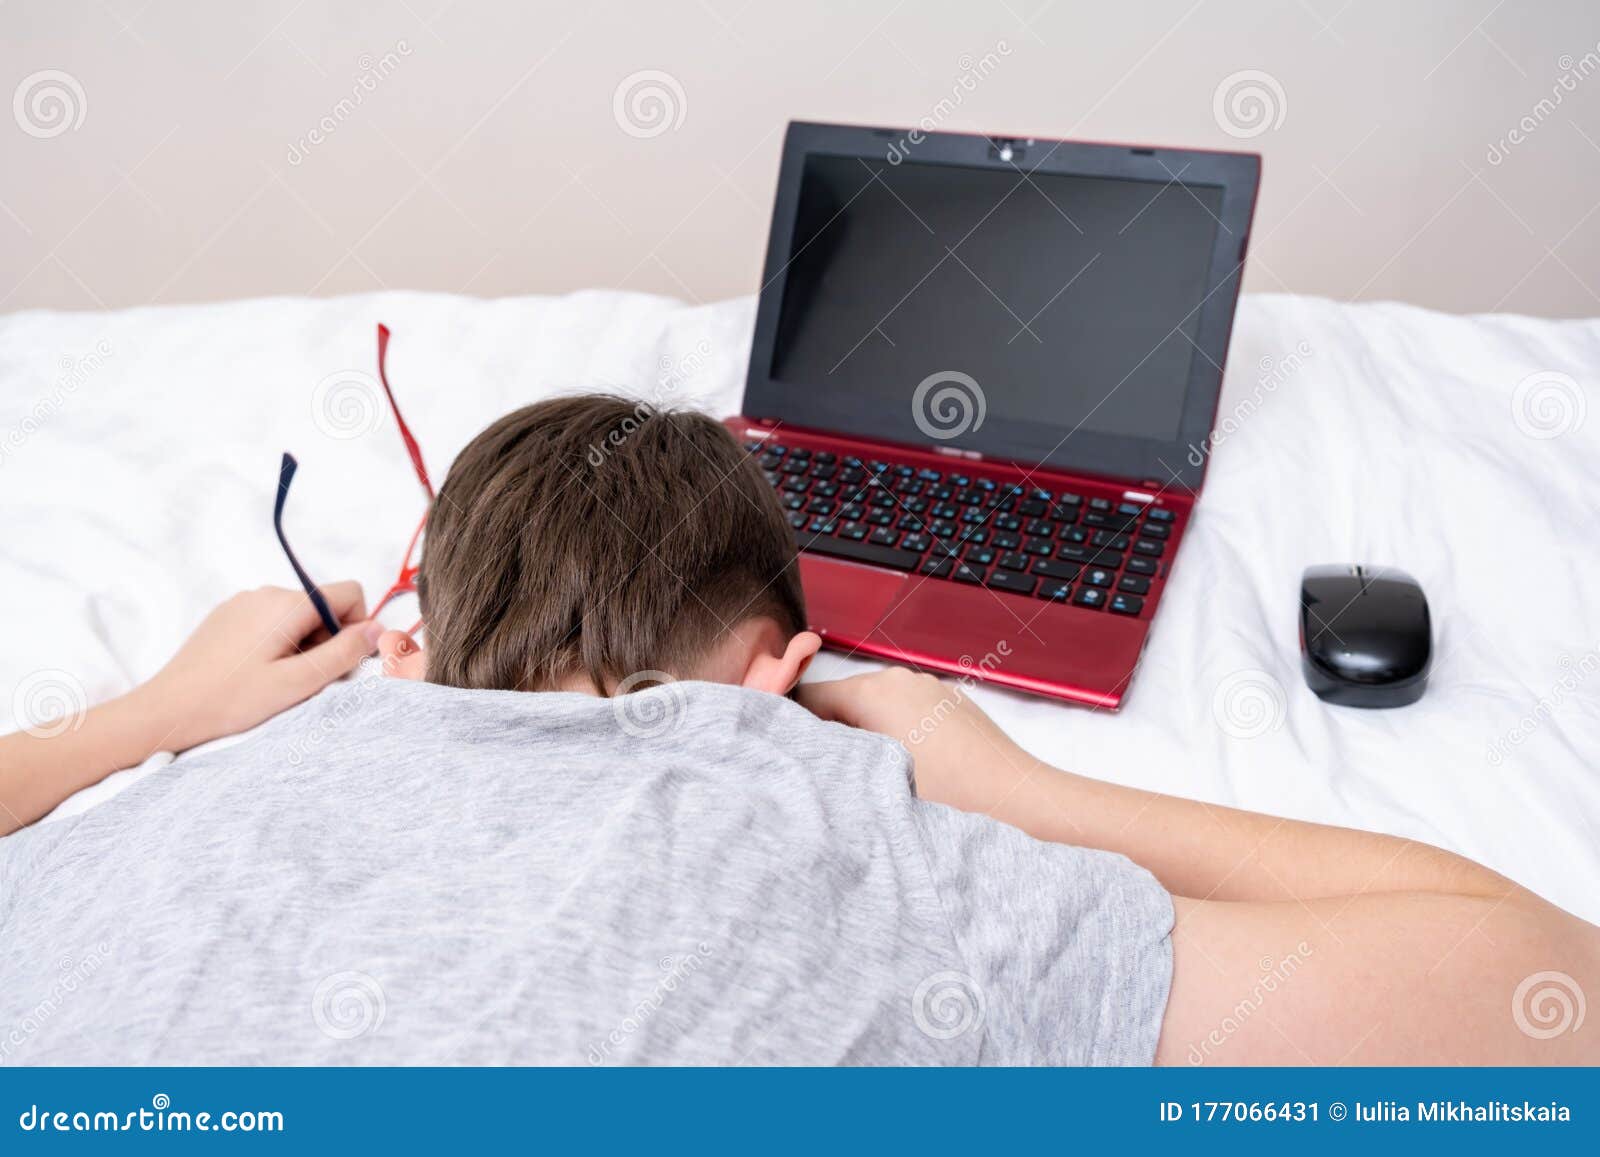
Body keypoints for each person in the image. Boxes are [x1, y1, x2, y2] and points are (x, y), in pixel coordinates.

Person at [1, 397, 1594, 1065]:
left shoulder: (140, 831)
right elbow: (1553, 1000)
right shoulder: (871, 851)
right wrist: (1019, 794)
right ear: (781, 670)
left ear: (408, 648)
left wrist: (154, 716)